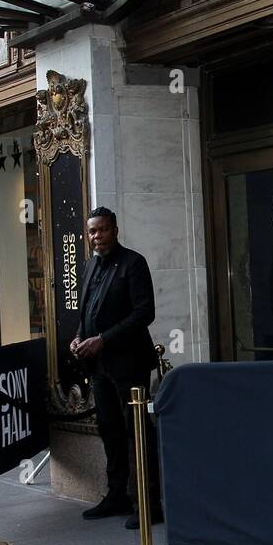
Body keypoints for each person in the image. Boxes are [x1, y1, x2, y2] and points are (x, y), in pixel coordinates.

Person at [70, 207, 161, 527]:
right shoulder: (90, 265)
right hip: (98, 366)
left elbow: (144, 313)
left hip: (129, 363)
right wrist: (80, 336)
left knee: (137, 431)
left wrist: (103, 339)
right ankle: (117, 495)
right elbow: (88, 311)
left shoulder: (133, 264)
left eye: (103, 230)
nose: (97, 237)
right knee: (110, 430)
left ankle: (151, 503)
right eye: (92, 232)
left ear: (115, 230)